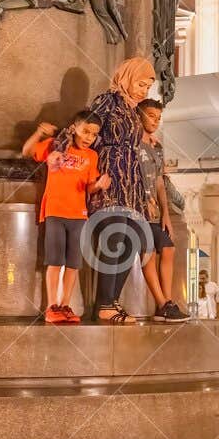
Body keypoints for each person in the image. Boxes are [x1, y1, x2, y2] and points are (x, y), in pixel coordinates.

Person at [86, 57, 170, 324]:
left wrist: (147, 139)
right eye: (140, 84)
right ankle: (103, 304)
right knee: (114, 238)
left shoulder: (134, 109)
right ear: (127, 77)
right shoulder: (107, 101)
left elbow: (138, 136)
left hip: (132, 183)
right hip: (111, 176)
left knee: (131, 241)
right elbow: (88, 129)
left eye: (147, 87)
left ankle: (111, 301)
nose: (143, 91)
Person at [22, 111, 110, 325]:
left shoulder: (92, 156)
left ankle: (65, 305)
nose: (89, 137)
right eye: (85, 131)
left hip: (78, 214)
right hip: (55, 211)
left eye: (94, 134)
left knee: (73, 263)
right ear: (74, 128)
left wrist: (98, 185)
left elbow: (89, 187)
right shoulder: (56, 145)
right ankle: (51, 306)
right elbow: (27, 151)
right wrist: (39, 133)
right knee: (55, 260)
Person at [135, 100, 186, 322]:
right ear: (139, 116)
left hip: (156, 212)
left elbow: (159, 182)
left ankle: (166, 302)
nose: (155, 120)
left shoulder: (157, 148)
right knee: (148, 253)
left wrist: (166, 213)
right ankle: (162, 303)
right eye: (150, 115)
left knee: (168, 249)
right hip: (136, 210)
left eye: (158, 117)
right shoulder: (130, 145)